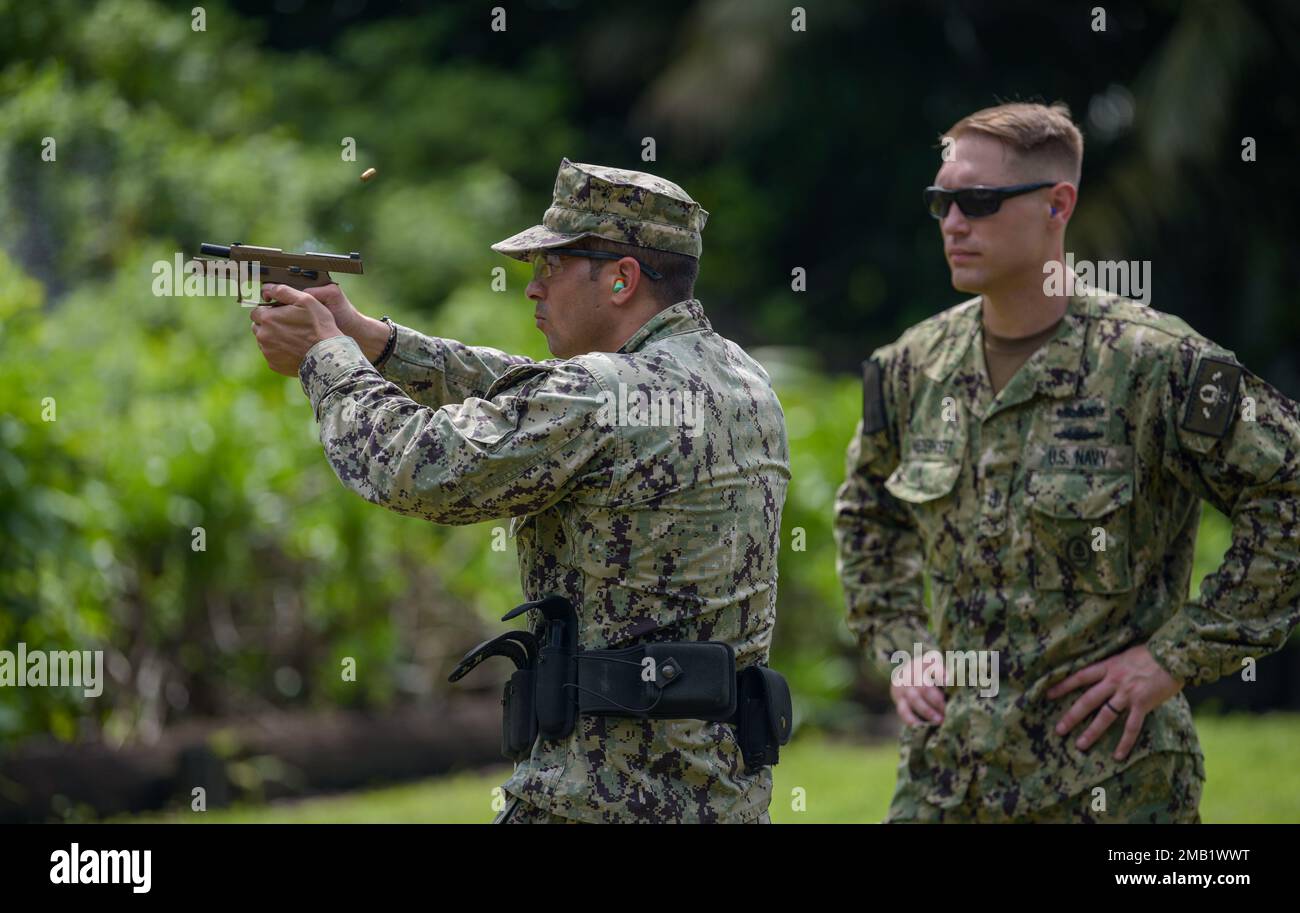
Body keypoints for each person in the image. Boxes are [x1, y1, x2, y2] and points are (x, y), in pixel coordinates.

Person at [250, 158, 791, 823]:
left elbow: (414, 467)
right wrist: (375, 341)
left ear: (621, 278)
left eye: (552, 267)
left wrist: (324, 356)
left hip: (596, 803)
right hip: (721, 802)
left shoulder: (598, 393)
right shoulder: (743, 380)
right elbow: (533, 391)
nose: (532, 289)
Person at [833, 102, 1300, 823]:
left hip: (1109, 785)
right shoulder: (909, 368)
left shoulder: (1158, 364)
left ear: (1058, 204)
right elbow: (867, 511)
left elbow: (1288, 490)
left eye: (979, 202)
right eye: (941, 201)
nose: (954, 223)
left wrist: (1175, 656)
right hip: (946, 780)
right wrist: (902, 645)